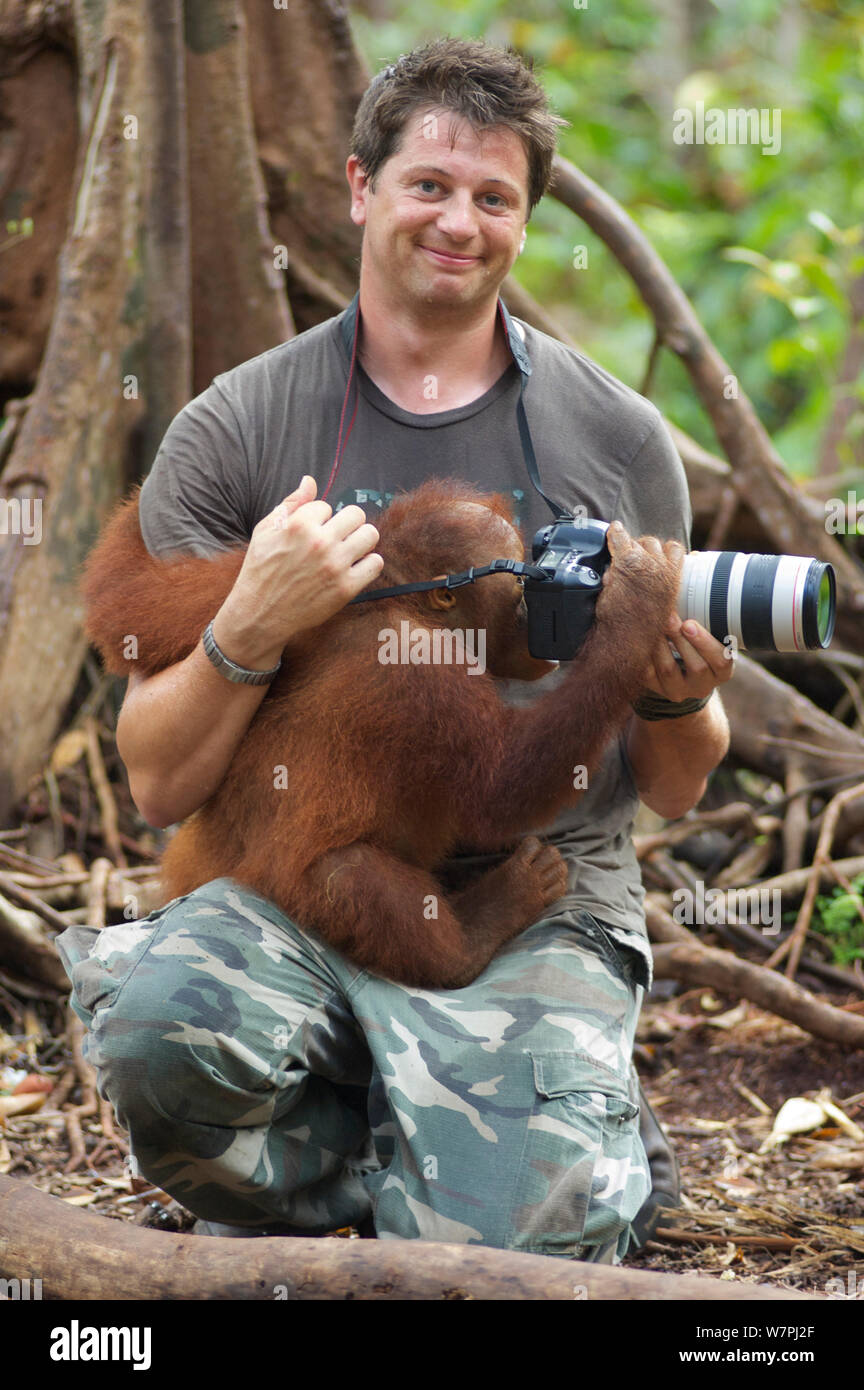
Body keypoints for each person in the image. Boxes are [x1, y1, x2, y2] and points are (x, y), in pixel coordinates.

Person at [58, 38, 731, 1262]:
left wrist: (666, 685)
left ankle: (521, 1136)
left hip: (536, 897)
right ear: (361, 187)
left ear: (526, 221)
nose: (459, 220)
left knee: (516, 1230)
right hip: (295, 874)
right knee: (158, 1045)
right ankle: (419, 1146)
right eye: (429, 184)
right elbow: (148, 737)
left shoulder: (618, 438)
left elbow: (659, 785)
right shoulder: (248, 427)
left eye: (494, 196)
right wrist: (255, 616)